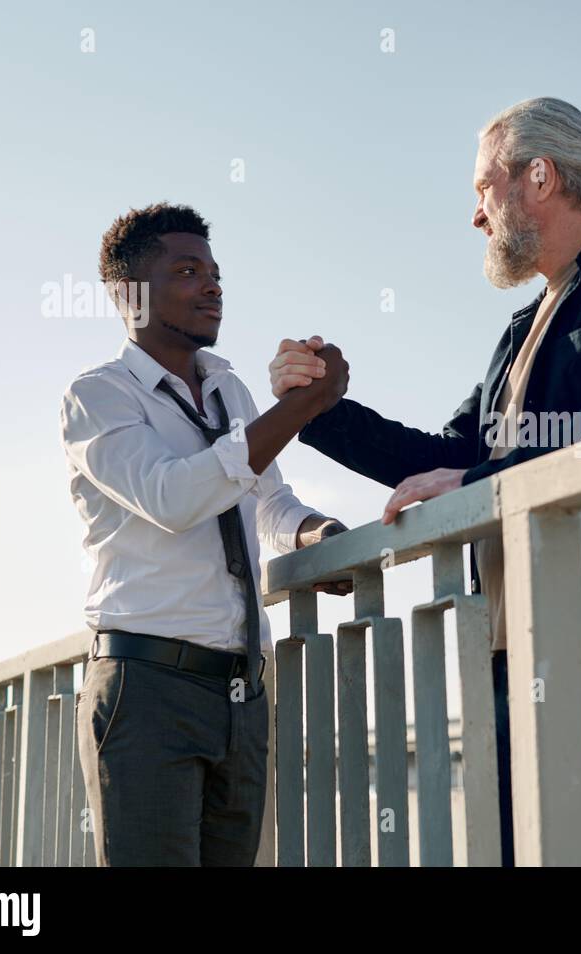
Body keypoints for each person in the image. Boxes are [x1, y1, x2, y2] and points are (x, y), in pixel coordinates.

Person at [270, 99, 581, 865]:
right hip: (514, 661)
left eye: (484, 187)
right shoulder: (520, 329)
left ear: (538, 176)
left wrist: (481, 478)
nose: (476, 214)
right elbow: (444, 454)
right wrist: (317, 408)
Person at [60, 202, 351, 865]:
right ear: (129, 292)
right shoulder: (98, 396)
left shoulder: (231, 394)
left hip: (243, 694)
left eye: (215, 272)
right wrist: (300, 407)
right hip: (147, 684)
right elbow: (172, 497)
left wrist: (315, 534)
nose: (212, 286)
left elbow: (269, 503)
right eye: (187, 271)